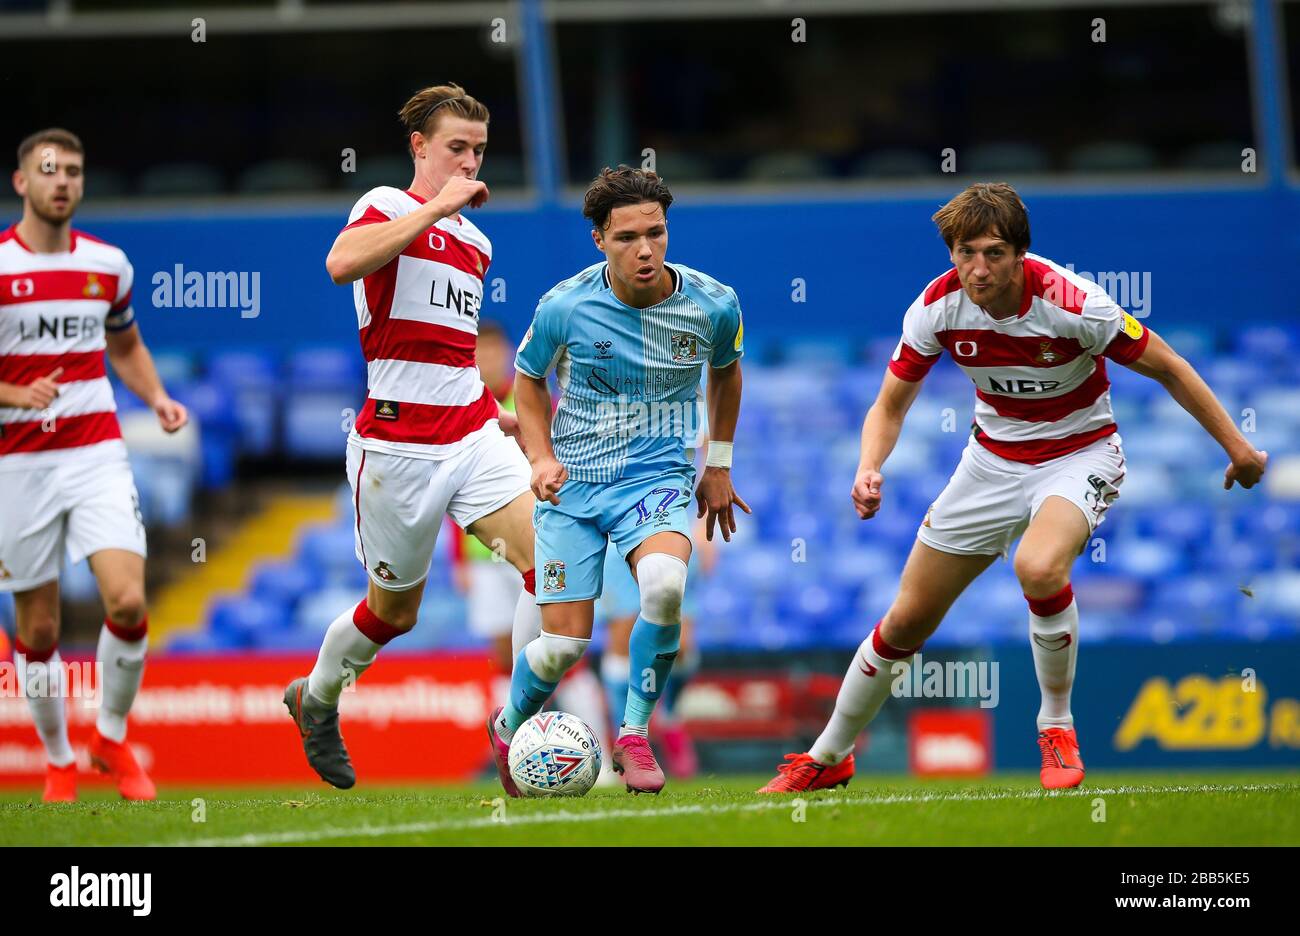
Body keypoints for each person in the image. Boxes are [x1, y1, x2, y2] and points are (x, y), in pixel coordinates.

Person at [758, 182, 1268, 794]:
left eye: (994, 252)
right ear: (950, 252)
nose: (978, 268)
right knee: (906, 620)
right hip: (989, 464)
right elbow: (889, 405)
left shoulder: (1076, 305)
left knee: (1039, 567)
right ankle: (830, 755)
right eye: (965, 252)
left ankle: (1056, 727)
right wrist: (870, 465)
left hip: (1080, 454)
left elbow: (1170, 367)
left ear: (1020, 252)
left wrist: (1237, 447)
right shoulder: (936, 308)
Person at [284, 85, 540, 793]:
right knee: (393, 613)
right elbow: (341, 265)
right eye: (456, 147)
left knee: (551, 570)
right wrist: (434, 207)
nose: (469, 161)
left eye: (479, 151)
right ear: (419, 147)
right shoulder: (387, 206)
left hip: (470, 433)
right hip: (396, 446)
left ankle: (516, 731)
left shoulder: (476, 242)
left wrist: (495, 413)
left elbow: (453, 353)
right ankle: (317, 698)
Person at [488, 165, 748, 795]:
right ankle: (508, 727)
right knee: (561, 649)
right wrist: (540, 456)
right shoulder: (564, 306)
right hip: (573, 491)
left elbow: (727, 374)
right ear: (600, 239)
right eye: (628, 236)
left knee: (663, 586)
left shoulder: (713, 303)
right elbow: (526, 379)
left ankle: (634, 734)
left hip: (655, 480)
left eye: (656, 233)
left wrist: (718, 464)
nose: (646, 250)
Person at [0, 128, 190, 802]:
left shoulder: (108, 265)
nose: (63, 182)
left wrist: (159, 396)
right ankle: (57, 759)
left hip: (95, 452)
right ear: (22, 182)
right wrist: (14, 393)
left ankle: (109, 739)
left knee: (130, 600)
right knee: (39, 629)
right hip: (17, 464)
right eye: (49, 171)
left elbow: (127, 344)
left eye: (74, 172)